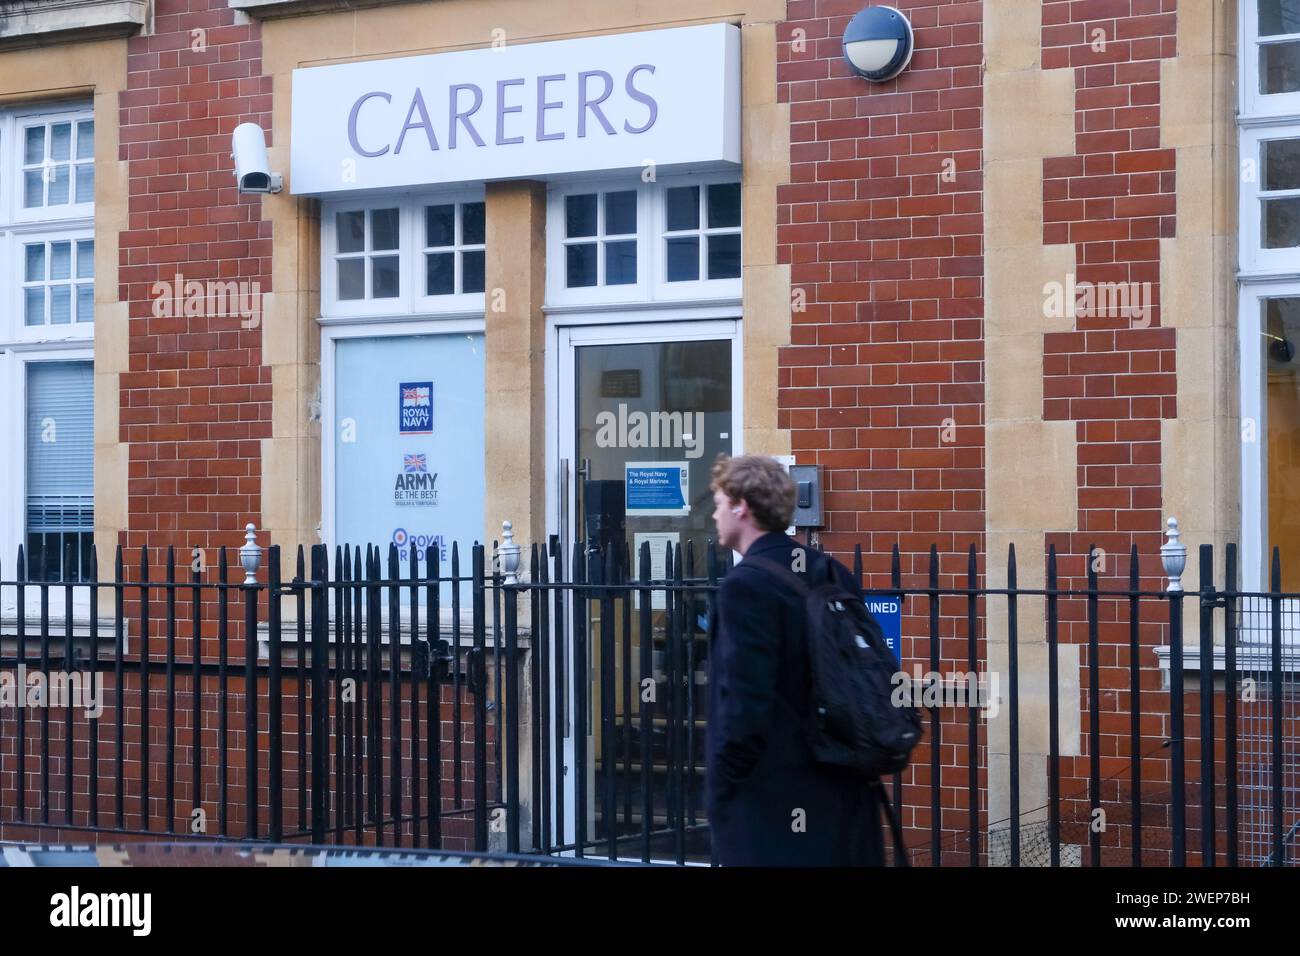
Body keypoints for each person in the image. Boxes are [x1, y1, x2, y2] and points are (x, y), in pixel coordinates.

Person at [705, 453, 885, 866]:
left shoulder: (745, 586)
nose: (714, 514)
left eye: (718, 502)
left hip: (774, 805)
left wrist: (722, 790)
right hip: (845, 792)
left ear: (741, 507)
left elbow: (744, 706)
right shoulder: (830, 571)